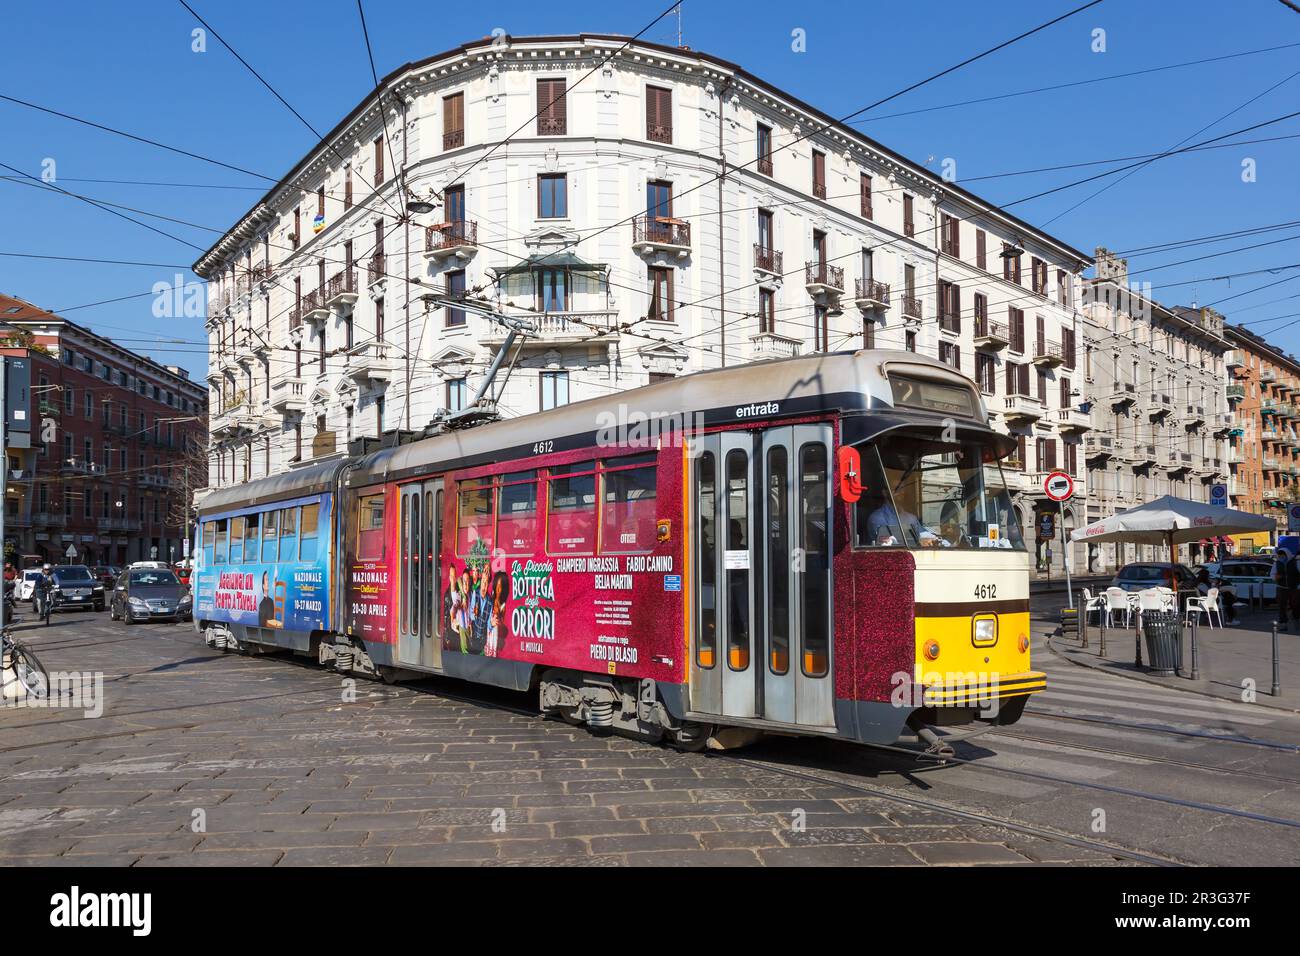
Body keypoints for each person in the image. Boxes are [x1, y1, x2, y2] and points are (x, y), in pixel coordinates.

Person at [865, 499, 941, 547]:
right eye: (897, 488)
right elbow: (887, 543)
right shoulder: (877, 517)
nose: (901, 492)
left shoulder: (911, 518)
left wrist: (937, 540)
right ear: (885, 492)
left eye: (902, 489)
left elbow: (923, 534)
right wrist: (918, 543)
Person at [1273, 548, 1299, 631]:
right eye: (1280, 556)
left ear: (1287, 555)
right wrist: (1276, 577)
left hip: (1293, 587)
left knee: (1295, 605)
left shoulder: (1295, 562)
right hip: (1281, 587)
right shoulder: (1277, 563)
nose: (1281, 557)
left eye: (1283, 556)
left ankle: (1296, 620)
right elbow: (1272, 574)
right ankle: (1283, 624)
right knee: (1281, 606)